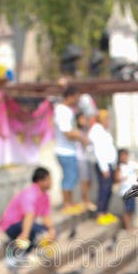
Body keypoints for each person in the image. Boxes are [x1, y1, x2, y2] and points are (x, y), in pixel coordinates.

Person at [0, 166, 56, 250]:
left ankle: (27, 243)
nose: (51, 182)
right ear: (40, 181)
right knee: (39, 234)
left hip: (25, 222)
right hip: (11, 225)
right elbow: (29, 215)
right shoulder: (30, 194)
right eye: (48, 179)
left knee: (48, 232)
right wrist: (25, 235)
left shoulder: (45, 195)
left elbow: (45, 216)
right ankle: (16, 248)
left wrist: (51, 230)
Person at [53, 85, 87, 213]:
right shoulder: (62, 110)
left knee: (72, 177)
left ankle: (70, 203)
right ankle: (66, 204)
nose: (78, 100)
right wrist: (81, 137)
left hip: (70, 151)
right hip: (64, 151)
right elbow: (67, 132)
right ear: (70, 96)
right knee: (69, 177)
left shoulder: (67, 110)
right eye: (77, 97)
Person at [89, 109, 118, 225]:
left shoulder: (104, 131)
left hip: (109, 164)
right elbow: (99, 151)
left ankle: (105, 212)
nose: (108, 121)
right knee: (104, 189)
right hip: (104, 165)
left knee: (108, 190)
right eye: (106, 119)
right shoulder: (97, 131)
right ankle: (100, 213)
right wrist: (104, 168)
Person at [116, 148, 138, 232]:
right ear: (119, 157)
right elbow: (116, 179)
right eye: (122, 155)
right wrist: (122, 178)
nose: (124, 157)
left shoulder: (131, 164)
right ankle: (128, 228)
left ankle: (130, 226)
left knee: (131, 210)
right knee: (127, 210)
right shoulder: (119, 167)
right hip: (125, 192)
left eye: (126, 155)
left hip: (133, 191)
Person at [75, 111, 96, 212]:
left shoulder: (86, 130)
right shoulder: (77, 131)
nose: (84, 121)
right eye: (82, 118)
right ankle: (85, 200)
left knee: (89, 180)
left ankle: (85, 199)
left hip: (86, 158)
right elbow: (85, 142)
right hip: (80, 158)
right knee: (84, 180)